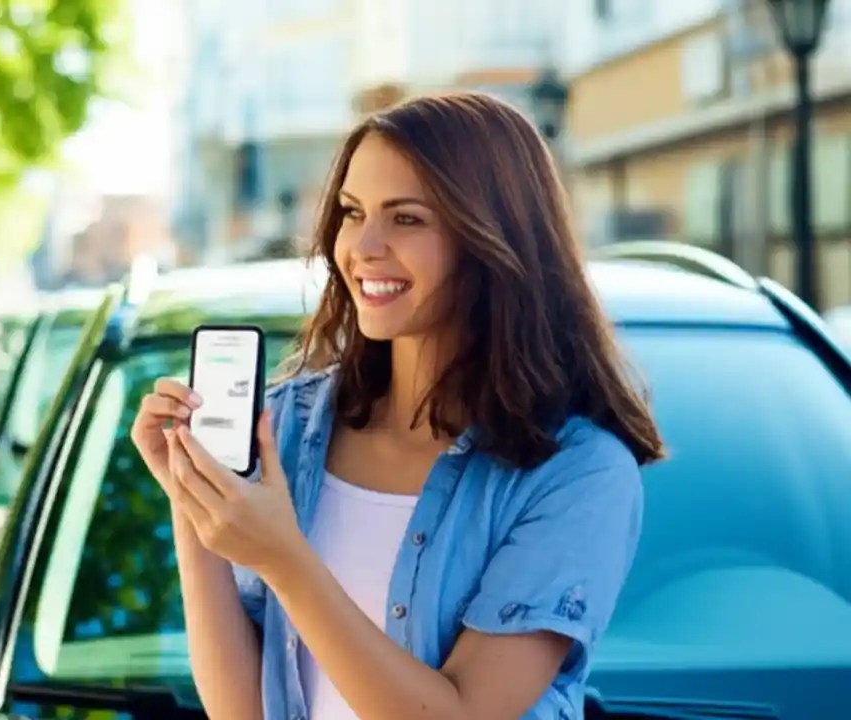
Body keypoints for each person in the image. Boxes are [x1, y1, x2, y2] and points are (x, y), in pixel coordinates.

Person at [130, 91, 665, 720]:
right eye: (352, 212)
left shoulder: (575, 472)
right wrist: (192, 503)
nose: (363, 246)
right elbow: (245, 712)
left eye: (406, 219)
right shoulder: (287, 427)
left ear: (492, 237)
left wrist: (283, 559)